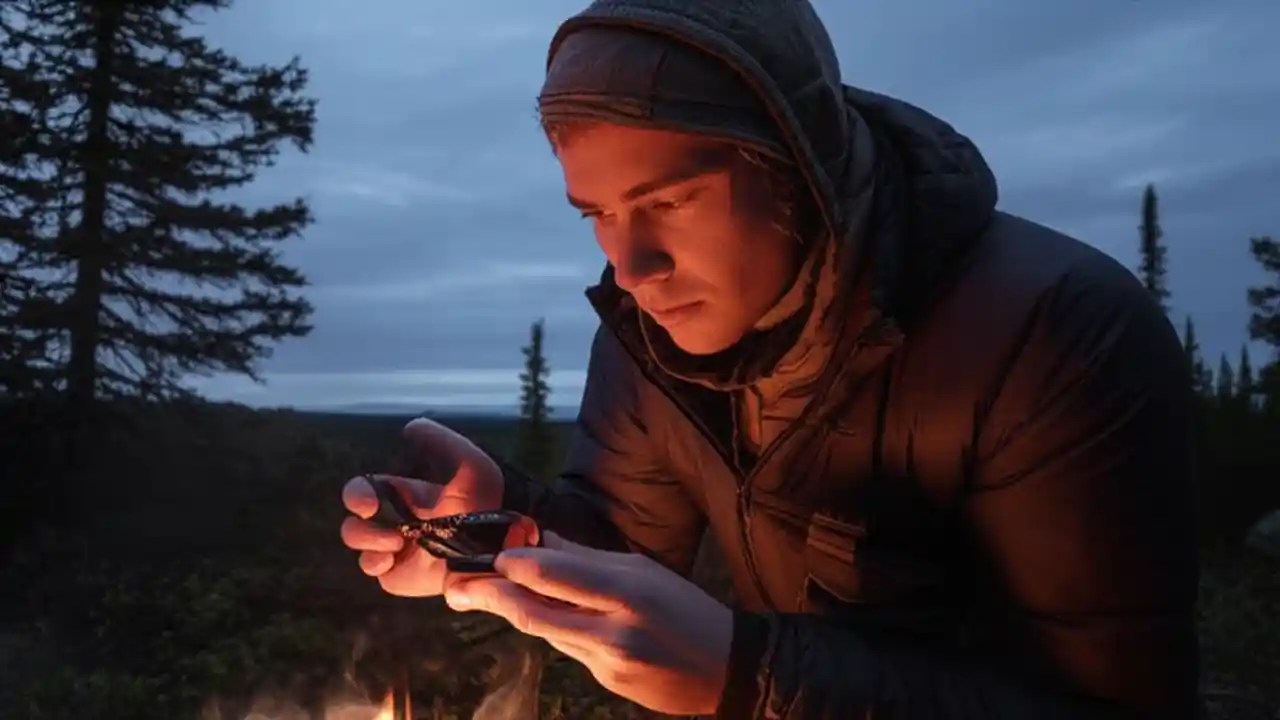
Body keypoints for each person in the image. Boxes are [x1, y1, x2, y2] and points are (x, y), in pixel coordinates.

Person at [340, 1, 1201, 718]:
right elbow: (631, 543)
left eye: (669, 200)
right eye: (595, 215)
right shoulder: (651, 340)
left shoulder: (1056, 336)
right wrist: (498, 529)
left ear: (799, 163)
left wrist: (749, 678)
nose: (632, 269)